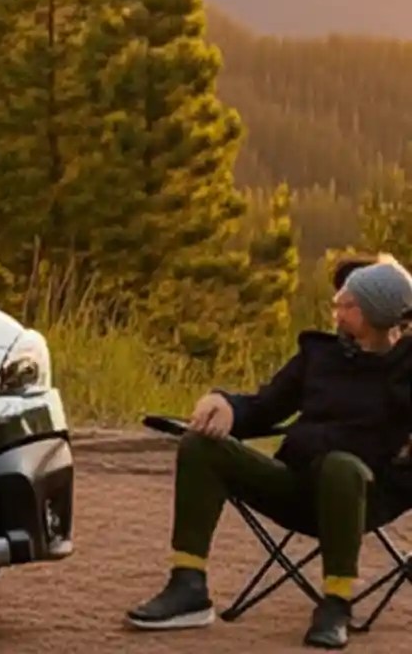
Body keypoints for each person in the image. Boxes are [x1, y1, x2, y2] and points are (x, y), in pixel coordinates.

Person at [126, 259, 412, 649]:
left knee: (341, 467)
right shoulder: (319, 355)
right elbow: (265, 406)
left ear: (375, 313)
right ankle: (188, 586)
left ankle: (336, 604)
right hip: (294, 488)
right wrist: (226, 405)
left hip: (365, 497)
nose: (337, 310)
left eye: (348, 305)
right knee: (200, 444)